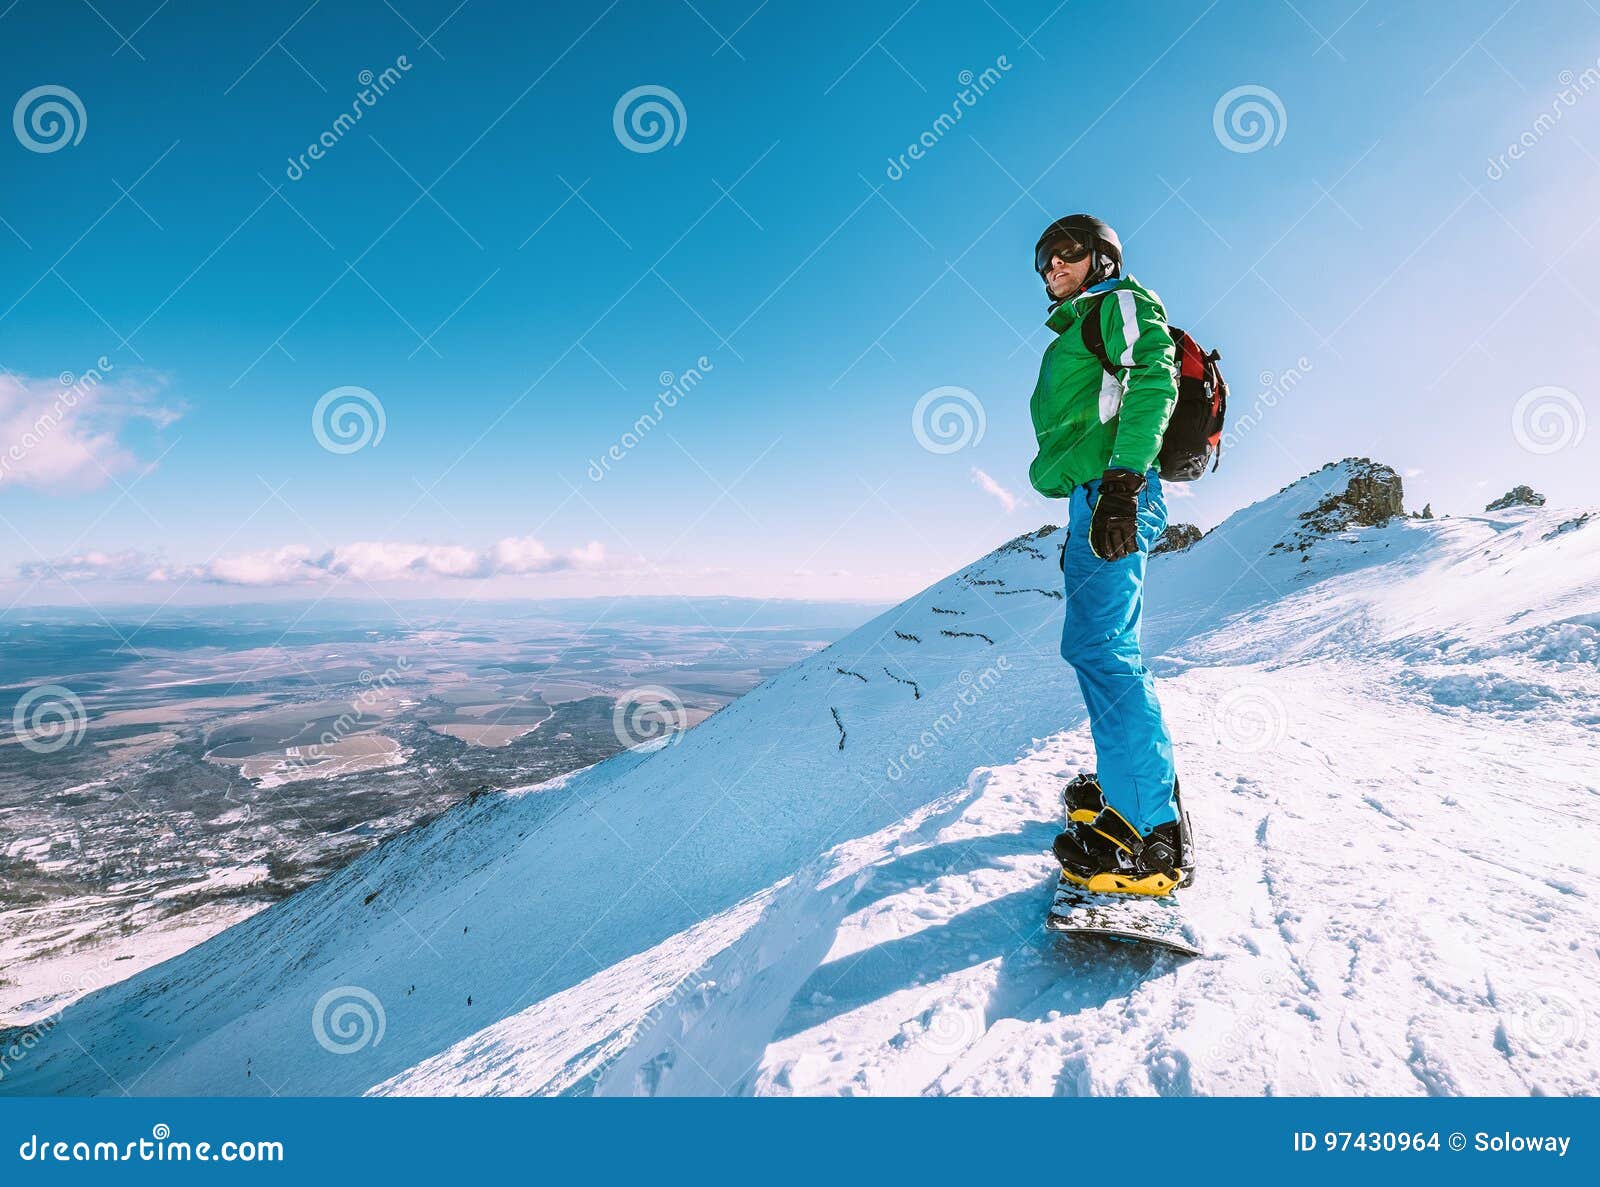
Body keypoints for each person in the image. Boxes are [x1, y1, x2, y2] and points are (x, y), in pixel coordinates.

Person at [1026, 214, 1193, 896]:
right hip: (1093, 494)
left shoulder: (1118, 304)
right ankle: (1124, 784)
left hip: (1114, 490)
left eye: (1065, 254)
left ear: (1101, 258)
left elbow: (1153, 376)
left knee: (1104, 648)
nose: (1052, 268)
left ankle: (1150, 834)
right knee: (1095, 645)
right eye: (1042, 262)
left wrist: (1124, 482)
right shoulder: (1081, 321)